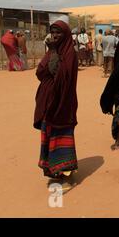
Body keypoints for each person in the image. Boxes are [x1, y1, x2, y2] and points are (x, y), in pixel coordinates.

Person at [34, 20, 78, 189]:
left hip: (63, 103)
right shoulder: (53, 51)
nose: (55, 35)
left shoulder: (69, 54)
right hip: (48, 102)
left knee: (62, 136)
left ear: (65, 34)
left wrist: (53, 55)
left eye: (58, 32)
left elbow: (61, 77)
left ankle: (67, 175)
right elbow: (40, 72)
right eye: (53, 32)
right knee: (49, 135)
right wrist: (51, 52)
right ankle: (55, 171)